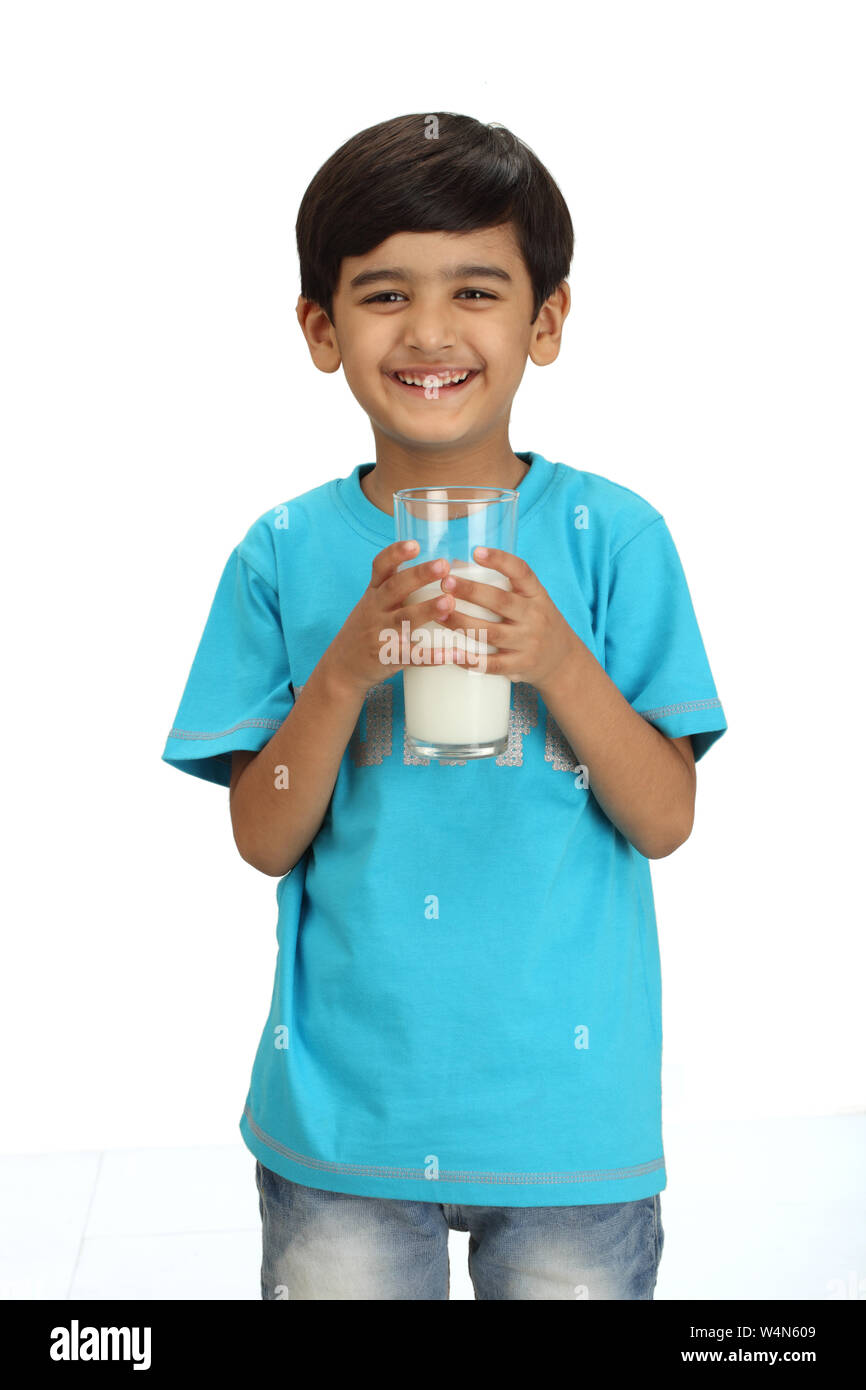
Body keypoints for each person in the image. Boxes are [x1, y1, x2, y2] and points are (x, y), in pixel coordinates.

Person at [162, 112, 727, 1300]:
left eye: (475, 289)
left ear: (546, 320)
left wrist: (557, 663)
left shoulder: (612, 536)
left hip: (567, 1117)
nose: (428, 331)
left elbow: (664, 816)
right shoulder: (282, 551)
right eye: (380, 296)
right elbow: (262, 834)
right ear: (320, 329)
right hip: (348, 1114)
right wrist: (345, 669)